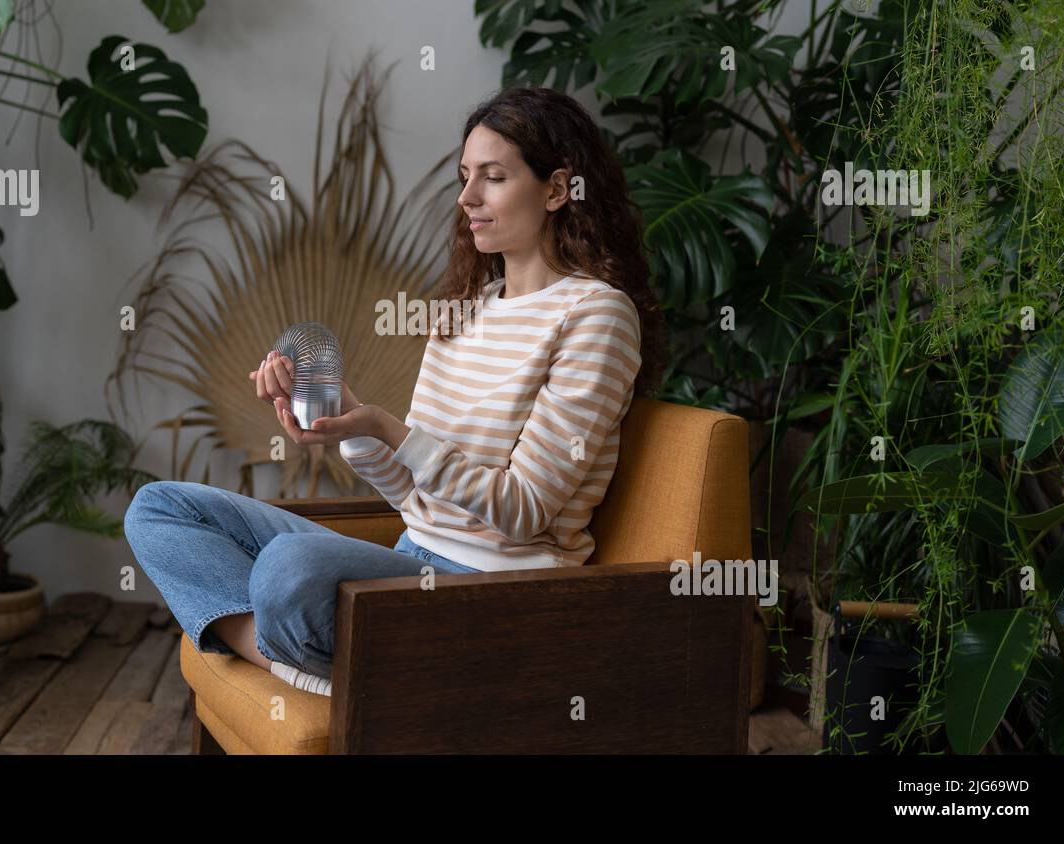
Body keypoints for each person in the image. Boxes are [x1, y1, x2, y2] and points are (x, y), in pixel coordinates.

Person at [123, 85, 666, 697]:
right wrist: (349, 420)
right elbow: (412, 496)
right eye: (465, 176)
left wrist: (386, 427)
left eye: (493, 177)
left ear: (558, 189)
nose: (467, 197)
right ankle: (299, 669)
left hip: (497, 592)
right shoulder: (467, 310)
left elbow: (526, 510)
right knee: (159, 508)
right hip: (410, 561)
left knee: (289, 568)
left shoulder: (595, 315)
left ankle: (311, 666)